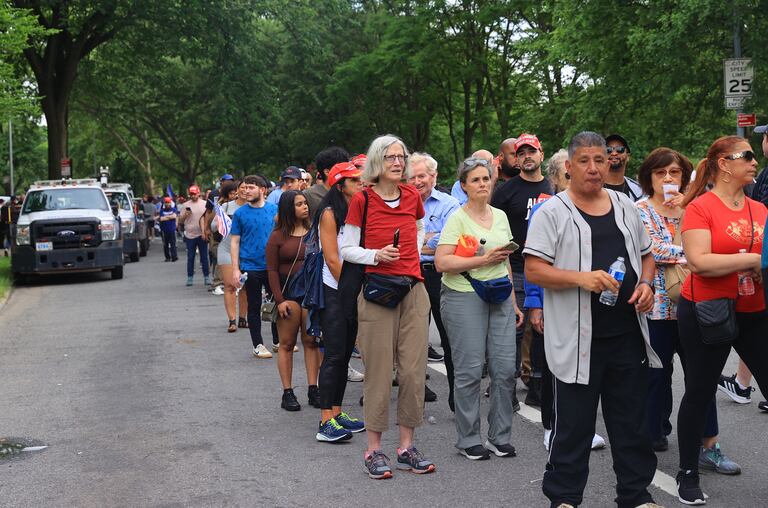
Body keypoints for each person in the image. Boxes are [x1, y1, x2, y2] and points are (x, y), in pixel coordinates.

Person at [524, 131, 661, 508]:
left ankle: (635, 496)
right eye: (584, 161)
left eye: (600, 159)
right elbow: (534, 269)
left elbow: (646, 255)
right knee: (573, 427)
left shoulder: (625, 205)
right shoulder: (552, 212)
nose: (594, 167)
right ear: (569, 166)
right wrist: (581, 279)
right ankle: (564, 498)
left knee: (631, 425)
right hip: (576, 340)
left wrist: (646, 284)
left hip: (626, 335)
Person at [675, 136, 767, 505]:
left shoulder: (760, 209)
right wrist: (752, 260)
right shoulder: (700, 208)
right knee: (699, 392)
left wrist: (760, 268)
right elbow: (699, 262)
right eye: (747, 155)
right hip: (707, 310)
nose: (754, 161)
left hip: (754, 309)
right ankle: (687, 473)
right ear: (724, 164)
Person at [635, 148, 740, 474]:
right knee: (656, 376)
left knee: (702, 378)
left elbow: (716, 245)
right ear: (649, 178)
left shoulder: (696, 207)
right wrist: (695, 253)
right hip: (658, 309)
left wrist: (686, 217)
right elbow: (653, 249)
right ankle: (651, 437)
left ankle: (709, 445)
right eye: (660, 173)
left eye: (674, 172)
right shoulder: (639, 210)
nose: (667, 178)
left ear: (683, 176)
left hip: (697, 306)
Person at [340, 134, 435, 479]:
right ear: (377, 162)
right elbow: (346, 248)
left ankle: (406, 448)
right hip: (377, 293)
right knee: (379, 373)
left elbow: (419, 226)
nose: (398, 162)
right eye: (390, 157)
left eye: (401, 157)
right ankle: (373, 450)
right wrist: (376, 255)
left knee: (412, 372)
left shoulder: (411, 195)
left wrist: (413, 251)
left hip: (413, 289)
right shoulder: (362, 199)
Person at [435, 157, 524, 460]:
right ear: (464, 186)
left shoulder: (500, 215)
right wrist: (482, 260)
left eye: (486, 179)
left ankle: (500, 437)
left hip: (500, 295)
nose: (482, 184)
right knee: (470, 371)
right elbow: (442, 262)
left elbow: (505, 260)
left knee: (504, 370)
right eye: (475, 180)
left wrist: (513, 301)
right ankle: (468, 438)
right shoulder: (457, 218)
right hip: (463, 295)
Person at [523, 149, 606, 452]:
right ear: (557, 178)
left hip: (589, 302)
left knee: (587, 366)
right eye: (569, 174)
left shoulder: (598, 206)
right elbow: (534, 266)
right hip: (554, 300)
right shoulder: (545, 211)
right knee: (554, 367)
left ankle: (584, 427)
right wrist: (536, 305)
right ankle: (552, 426)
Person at [491, 133, 553, 407]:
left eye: (532, 151)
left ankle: (537, 388)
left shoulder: (553, 187)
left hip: (546, 268)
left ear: (541, 154)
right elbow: (493, 226)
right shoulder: (505, 192)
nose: (527, 156)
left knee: (542, 328)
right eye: (521, 153)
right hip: (515, 267)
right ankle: (506, 389)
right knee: (513, 330)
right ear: (515, 160)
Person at [315, 161, 366, 441]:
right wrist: (352, 292)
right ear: (340, 185)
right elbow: (333, 259)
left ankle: (336, 411)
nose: (361, 183)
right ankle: (325, 420)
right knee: (334, 354)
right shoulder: (329, 213)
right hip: (334, 289)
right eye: (354, 180)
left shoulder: (357, 209)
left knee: (345, 354)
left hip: (352, 289)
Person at [407, 152, 460, 410]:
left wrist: (419, 240)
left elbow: (452, 241)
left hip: (439, 274)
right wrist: (432, 239)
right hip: (410, 274)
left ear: (434, 176)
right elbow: (398, 241)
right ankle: (415, 392)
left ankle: (456, 395)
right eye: (412, 177)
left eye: (422, 176)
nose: (417, 181)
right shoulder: (401, 203)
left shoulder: (450, 204)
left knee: (449, 337)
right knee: (412, 339)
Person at [266, 190, 321, 411]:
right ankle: (287, 392)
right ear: (289, 208)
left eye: (305, 203)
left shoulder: (315, 231)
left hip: (311, 293)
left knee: (311, 341)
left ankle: (313, 388)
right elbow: (271, 270)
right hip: (288, 295)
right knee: (287, 344)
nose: (305, 207)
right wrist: (279, 300)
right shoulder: (277, 236)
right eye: (299, 204)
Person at [231, 175, 279, 359]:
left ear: (262, 190)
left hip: (273, 265)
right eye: (245, 188)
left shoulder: (275, 210)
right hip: (250, 265)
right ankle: (257, 344)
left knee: (277, 302)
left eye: (251, 187)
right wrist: (235, 269)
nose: (246, 191)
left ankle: (277, 341)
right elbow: (235, 242)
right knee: (254, 305)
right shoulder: (240, 214)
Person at [217, 181, 248, 333]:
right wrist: (220, 222)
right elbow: (214, 227)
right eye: (242, 187)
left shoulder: (253, 207)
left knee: (245, 286)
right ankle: (232, 320)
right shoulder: (226, 207)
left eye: (248, 187)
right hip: (227, 249)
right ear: (237, 190)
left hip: (246, 251)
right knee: (230, 285)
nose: (245, 190)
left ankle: (243, 318)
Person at [179, 185, 210, 287]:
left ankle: (206, 277)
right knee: (191, 257)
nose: (193, 196)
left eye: (195, 194)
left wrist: (206, 231)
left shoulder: (205, 204)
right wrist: (185, 215)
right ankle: (190, 277)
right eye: (191, 194)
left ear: (199, 193)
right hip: (190, 235)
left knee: (204, 257)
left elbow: (208, 218)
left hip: (202, 234)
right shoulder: (185, 205)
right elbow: (180, 221)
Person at [305, 147, 351, 214]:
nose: (348, 172)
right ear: (327, 172)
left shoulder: (350, 192)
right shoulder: (310, 195)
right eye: (341, 168)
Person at [603, 134, 643, 201]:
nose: (614, 153)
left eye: (620, 149)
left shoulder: (639, 191)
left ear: (628, 157)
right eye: (608, 150)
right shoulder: (591, 187)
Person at [158, 197, 178, 261]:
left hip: (172, 229)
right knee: (165, 244)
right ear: (164, 203)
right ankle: (167, 257)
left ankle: (174, 256)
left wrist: (165, 217)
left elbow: (174, 216)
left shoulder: (173, 209)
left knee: (173, 244)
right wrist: (170, 217)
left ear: (170, 203)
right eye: (166, 202)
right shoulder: (162, 210)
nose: (167, 204)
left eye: (168, 202)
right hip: (164, 230)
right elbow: (161, 219)